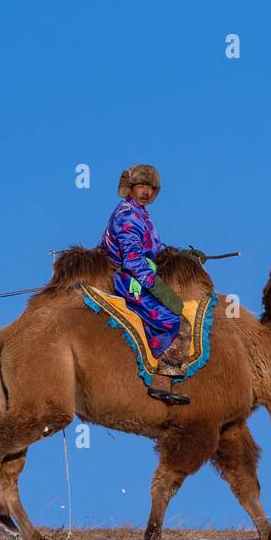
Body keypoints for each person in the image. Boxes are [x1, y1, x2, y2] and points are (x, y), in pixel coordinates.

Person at [100, 164, 193, 405]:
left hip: (138, 276)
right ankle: (161, 381)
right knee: (177, 321)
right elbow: (133, 260)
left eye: (151, 187)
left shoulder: (140, 214)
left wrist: (182, 256)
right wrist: (160, 289)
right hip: (129, 282)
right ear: (130, 188)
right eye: (141, 186)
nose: (146, 192)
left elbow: (150, 250)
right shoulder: (128, 215)